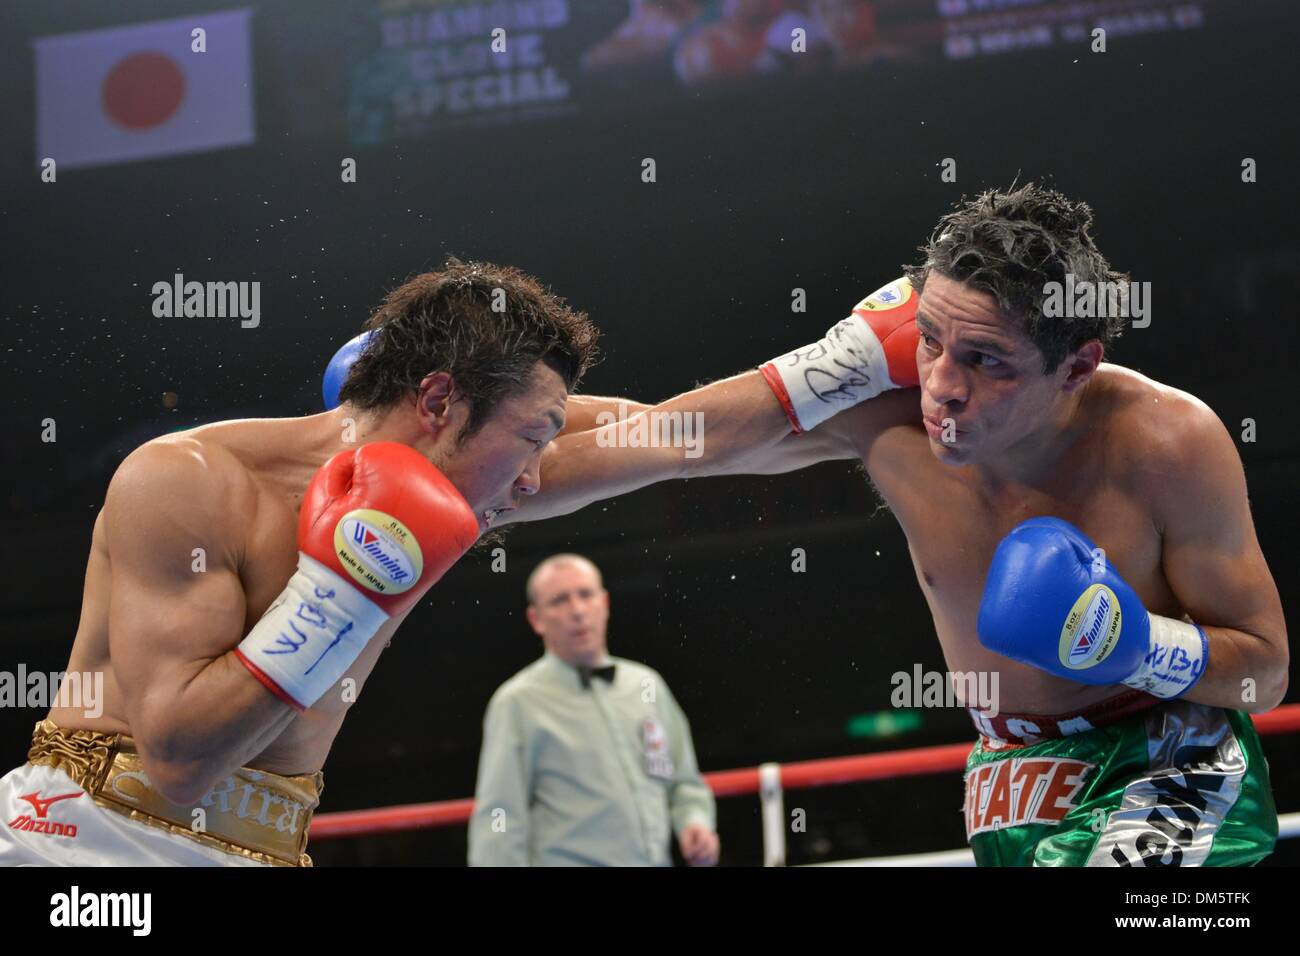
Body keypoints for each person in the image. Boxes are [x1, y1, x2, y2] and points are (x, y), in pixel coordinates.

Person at [505, 183, 1289, 866]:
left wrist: (1137, 648)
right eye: (932, 342)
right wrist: (465, 459)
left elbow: (1263, 674)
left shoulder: (1166, 444)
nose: (941, 387)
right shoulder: (885, 415)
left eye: (987, 362)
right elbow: (671, 438)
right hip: (1010, 769)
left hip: (1169, 755)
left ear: (1077, 367)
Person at [0, 259, 598, 866]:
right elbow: (181, 762)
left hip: (266, 851)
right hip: (83, 844)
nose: (533, 479)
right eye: (531, 439)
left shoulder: (478, 489)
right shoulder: (186, 477)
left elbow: (681, 438)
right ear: (438, 399)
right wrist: (345, 591)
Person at [469, 554, 719, 867]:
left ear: (605, 603)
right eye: (559, 600)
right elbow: (501, 815)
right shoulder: (517, 702)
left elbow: (684, 781)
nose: (577, 610)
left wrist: (694, 822)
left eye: (585, 595)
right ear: (536, 619)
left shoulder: (646, 685)